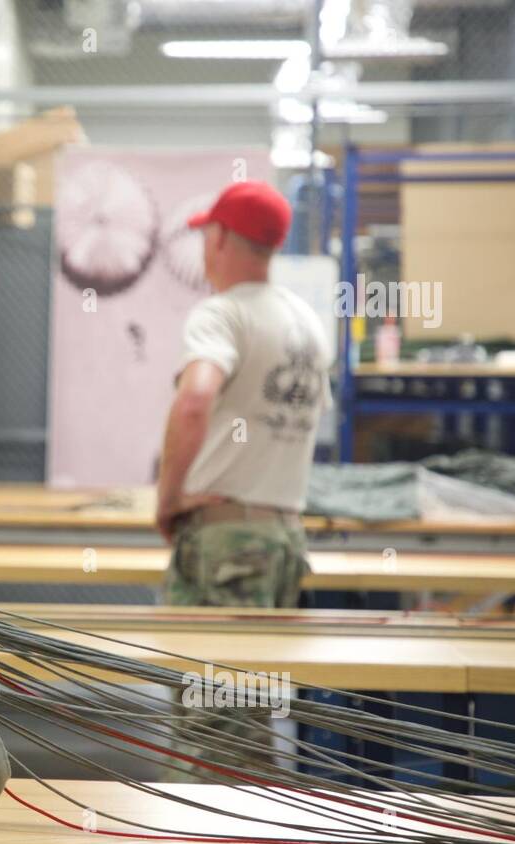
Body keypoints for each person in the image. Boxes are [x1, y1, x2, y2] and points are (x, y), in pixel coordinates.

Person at [153, 180, 332, 782]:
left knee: (212, 730)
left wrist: (169, 498)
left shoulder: (223, 313)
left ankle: (203, 832)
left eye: (208, 233)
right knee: (247, 716)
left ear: (223, 238)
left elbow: (195, 398)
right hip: (282, 542)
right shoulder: (305, 323)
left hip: (227, 544)